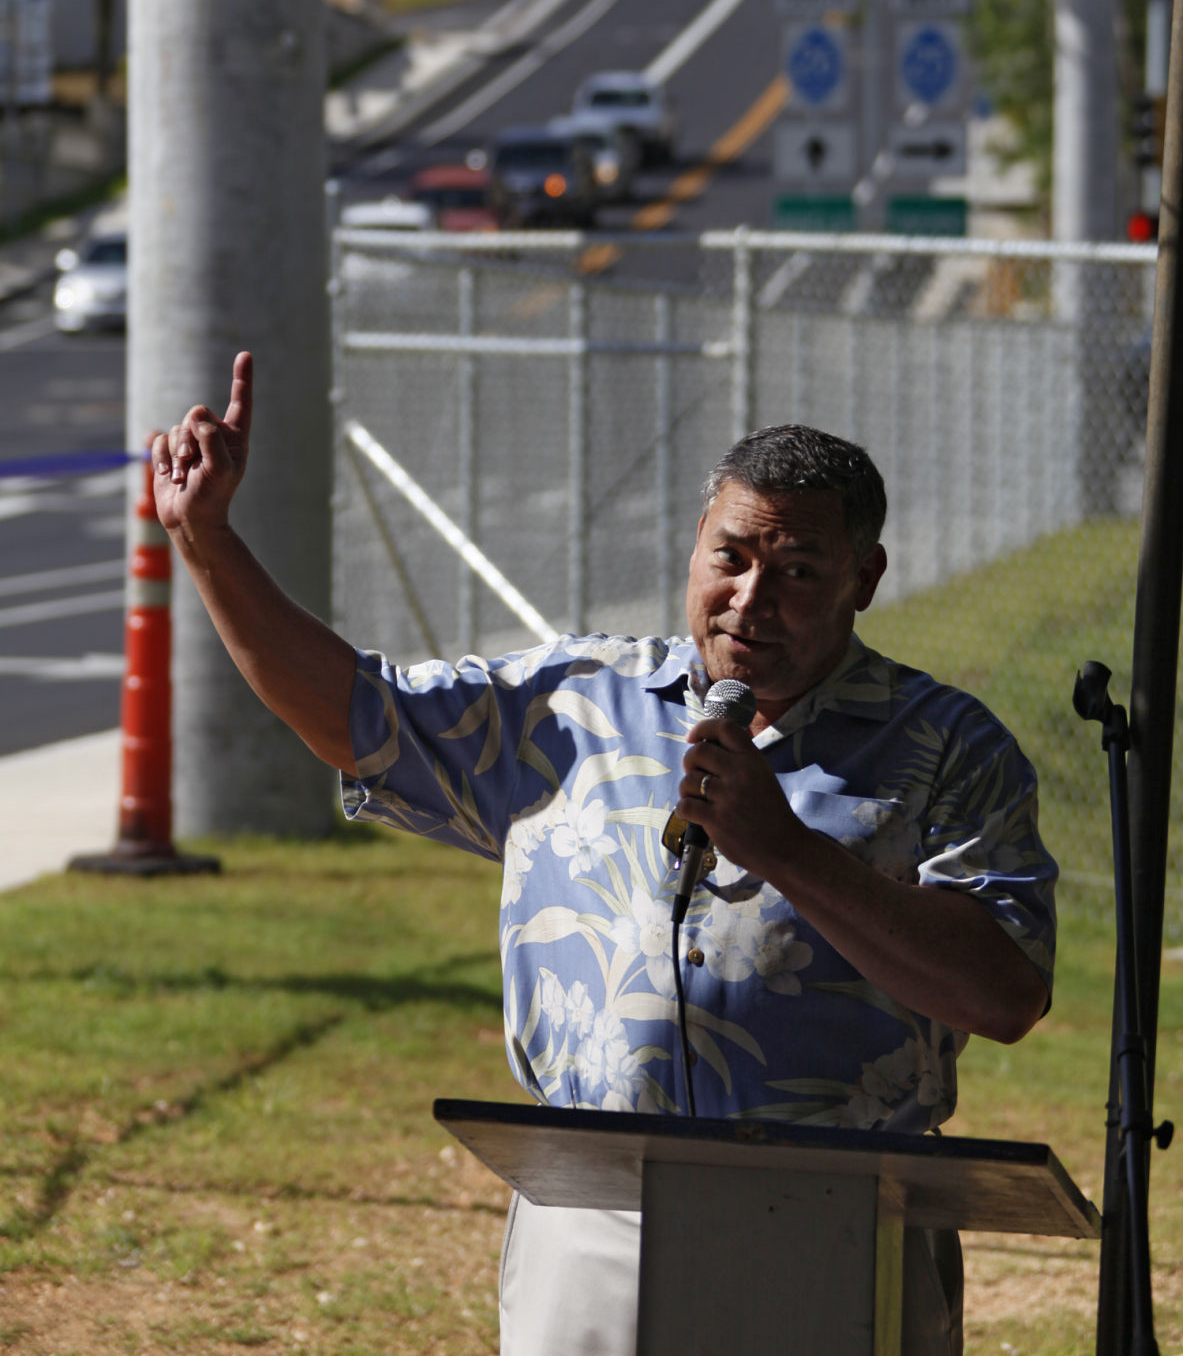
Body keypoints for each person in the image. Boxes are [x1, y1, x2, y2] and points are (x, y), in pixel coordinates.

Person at [152, 351, 1057, 1356]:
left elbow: (1002, 990)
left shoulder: (947, 746)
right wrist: (207, 539)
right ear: (694, 546)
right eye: (731, 557)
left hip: (846, 1217)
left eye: (799, 570)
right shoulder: (572, 701)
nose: (751, 601)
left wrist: (785, 849)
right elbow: (360, 714)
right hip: (593, 1222)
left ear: (865, 577)